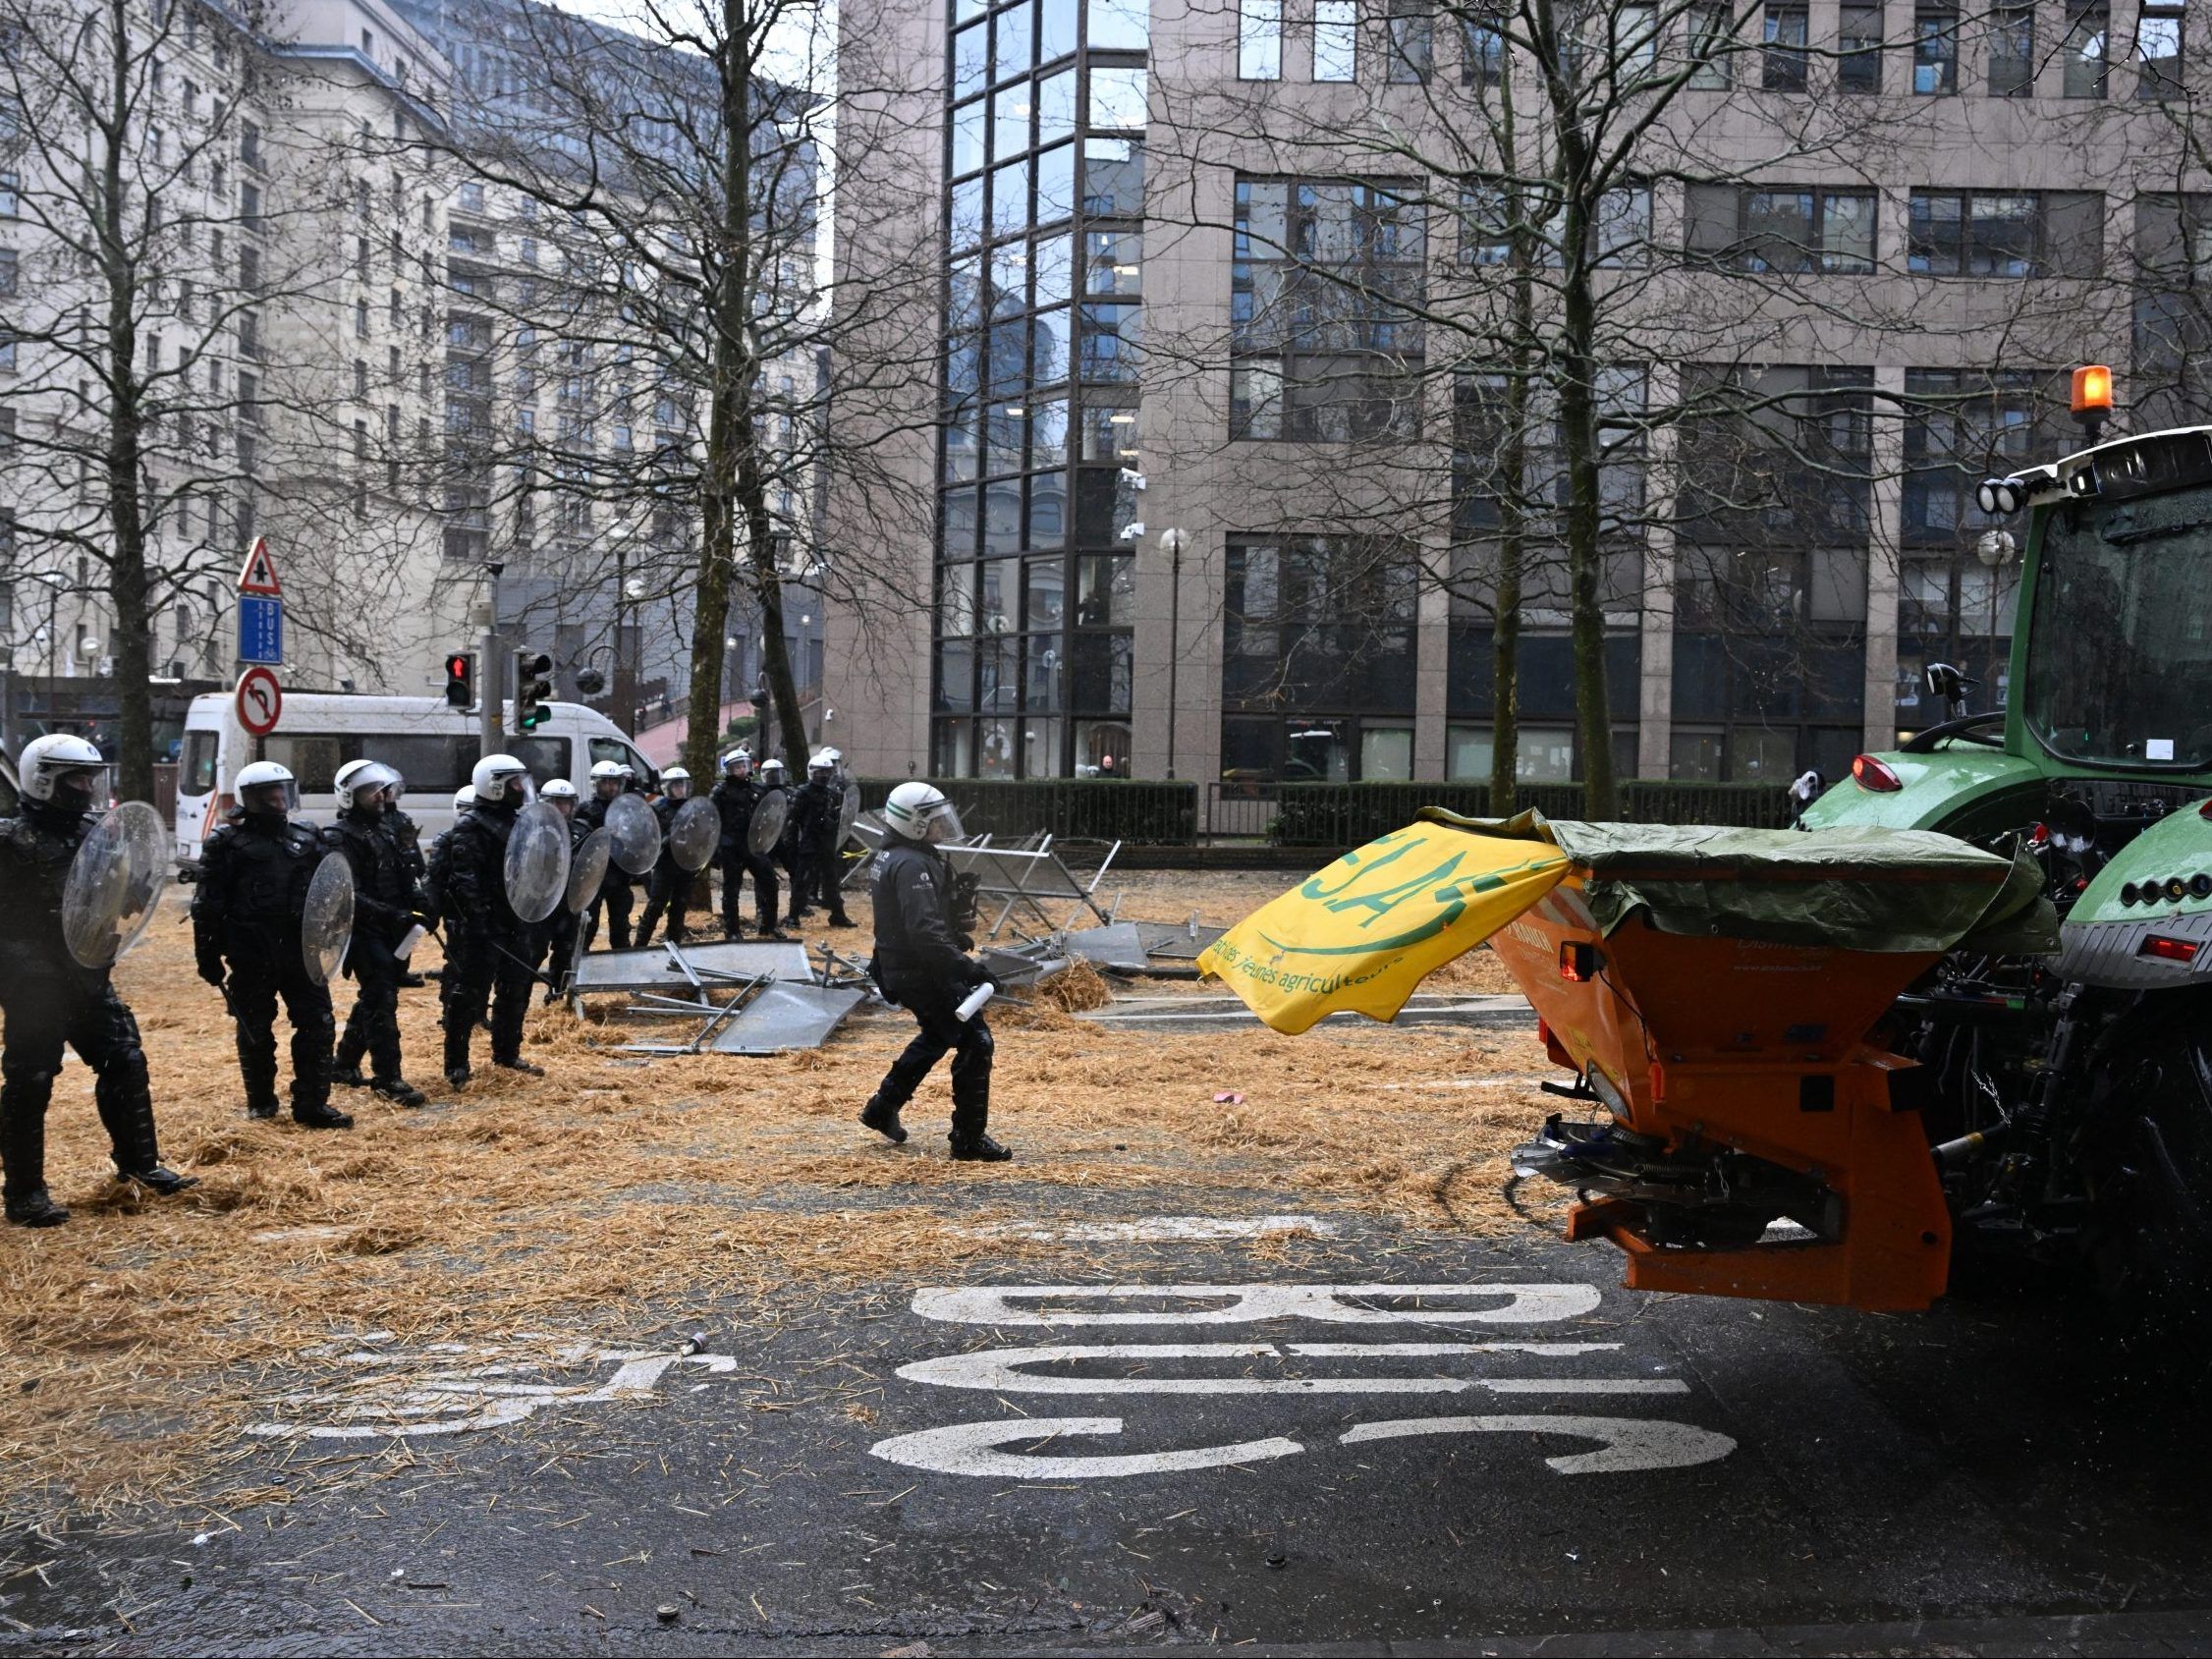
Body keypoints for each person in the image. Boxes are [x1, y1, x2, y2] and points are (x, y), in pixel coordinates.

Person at [0, 736, 196, 1226]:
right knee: (31, 1081)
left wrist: (137, 891)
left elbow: (119, 894)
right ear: (44, 779)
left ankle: (140, 1167)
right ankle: (25, 1193)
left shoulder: (98, 832)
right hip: (34, 985)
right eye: (76, 778)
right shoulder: (10, 841)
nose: (86, 787)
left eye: (90, 777)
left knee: (126, 1060)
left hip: (88, 976)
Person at [193, 761, 353, 1130]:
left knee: (319, 1024)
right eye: (270, 794)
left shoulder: (308, 836)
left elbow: (331, 892)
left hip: (301, 952)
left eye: (282, 792)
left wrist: (333, 937)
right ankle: (261, 1101)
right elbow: (208, 903)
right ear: (252, 799)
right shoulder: (226, 843)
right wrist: (207, 954)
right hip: (251, 954)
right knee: (255, 1029)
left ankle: (312, 1103)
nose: (279, 800)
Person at [859, 781, 1009, 1161]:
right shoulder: (911, 863)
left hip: (901, 966)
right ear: (915, 824)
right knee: (976, 1041)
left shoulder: (898, 855)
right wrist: (970, 970)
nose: (943, 827)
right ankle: (968, 1139)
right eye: (935, 821)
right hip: (918, 970)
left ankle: (882, 1107)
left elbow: (914, 920)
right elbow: (923, 932)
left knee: (939, 1033)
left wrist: (953, 930)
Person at [438, 754, 547, 1085]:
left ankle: (507, 1053)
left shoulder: (520, 821)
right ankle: (457, 1064)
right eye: (514, 782)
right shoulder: (471, 826)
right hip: (484, 924)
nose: (520, 788)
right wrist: (478, 921)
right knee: (469, 995)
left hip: (517, 917)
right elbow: (466, 877)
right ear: (494, 784)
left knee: (515, 990)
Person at [328, 760, 428, 1107]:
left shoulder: (385, 829)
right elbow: (348, 893)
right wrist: (392, 913)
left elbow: (406, 874)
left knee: (374, 997)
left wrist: (419, 904)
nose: (382, 797)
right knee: (382, 1001)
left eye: (383, 790)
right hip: (363, 931)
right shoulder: (340, 837)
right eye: (373, 792)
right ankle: (388, 1078)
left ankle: (343, 1065)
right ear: (349, 796)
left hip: (392, 929)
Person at [709, 750, 788, 941]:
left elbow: (767, 817)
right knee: (731, 890)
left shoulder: (758, 790)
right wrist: (719, 845)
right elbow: (711, 819)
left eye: (744, 766)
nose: (741, 770)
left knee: (770, 883)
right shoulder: (720, 792)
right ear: (729, 770)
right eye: (737, 767)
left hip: (754, 846)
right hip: (732, 848)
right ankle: (732, 930)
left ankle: (769, 925)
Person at [575, 761, 637, 953]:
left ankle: (622, 969)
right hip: (594, 876)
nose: (611, 787)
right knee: (587, 926)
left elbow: (636, 837)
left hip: (619, 875)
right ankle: (578, 965)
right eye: (606, 783)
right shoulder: (585, 809)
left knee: (620, 926)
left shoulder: (626, 809)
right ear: (596, 784)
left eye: (615, 783)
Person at [790, 752, 857, 929]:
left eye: (827, 772)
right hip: (809, 842)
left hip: (827, 843)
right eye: (820, 772)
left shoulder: (832, 793)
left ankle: (838, 915)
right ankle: (793, 917)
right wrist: (792, 845)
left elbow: (839, 817)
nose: (824, 776)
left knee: (832, 881)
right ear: (812, 772)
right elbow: (792, 821)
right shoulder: (802, 793)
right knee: (802, 882)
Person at [636, 766, 697, 948]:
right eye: (676, 786)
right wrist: (666, 839)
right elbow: (650, 836)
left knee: (679, 906)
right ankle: (640, 945)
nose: (680, 789)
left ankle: (673, 945)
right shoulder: (658, 809)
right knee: (656, 905)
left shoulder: (693, 808)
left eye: (683, 786)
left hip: (685, 866)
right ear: (668, 787)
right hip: (665, 865)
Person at [539, 778, 582, 1002]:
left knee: (565, 951)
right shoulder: (535, 829)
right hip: (541, 902)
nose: (561, 808)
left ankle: (556, 994)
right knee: (534, 952)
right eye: (556, 802)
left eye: (565, 803)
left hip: (568, 902)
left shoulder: (580, 831)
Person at [759, 757, 808, 922]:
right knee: (763, 874)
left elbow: (796, 818)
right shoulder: (759, 793)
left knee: (795, 872)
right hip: (766, 840)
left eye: (776, 774)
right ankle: (761, 908)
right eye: (771, 774)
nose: (774, 777)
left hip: (785, 840)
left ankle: (798, 906)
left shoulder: (789, 794)